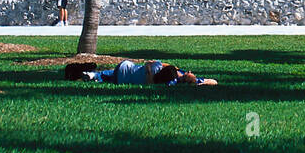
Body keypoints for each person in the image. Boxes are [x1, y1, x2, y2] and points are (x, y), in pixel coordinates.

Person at [65, 59, 216, 86]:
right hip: (123, 77)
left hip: (124, 67)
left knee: (109, 74)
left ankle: (93, 75)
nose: (190, 71)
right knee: (108, 77)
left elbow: (155, 63)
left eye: (191, 74)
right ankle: (93, 76)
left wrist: (149, 68)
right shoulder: (169, 81)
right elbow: (213, 81)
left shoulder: (163, 71)